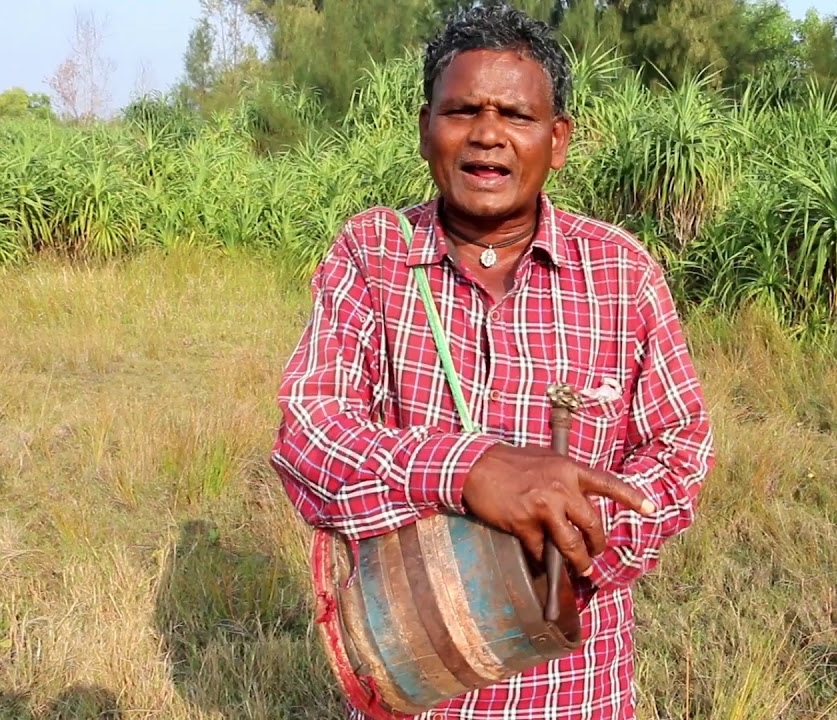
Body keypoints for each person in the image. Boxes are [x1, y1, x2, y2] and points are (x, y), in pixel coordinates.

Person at [269, 3, 714, 718]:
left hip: (572, 690)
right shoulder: (373, 254)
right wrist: (469, 471)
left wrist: (568, 547)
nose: (487, 134)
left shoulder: (621, 273)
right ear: (426, 128)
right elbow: (309, 435)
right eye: (462, 111)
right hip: (417, 682)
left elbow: (680, 452)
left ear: (557, 139)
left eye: (515, 114)